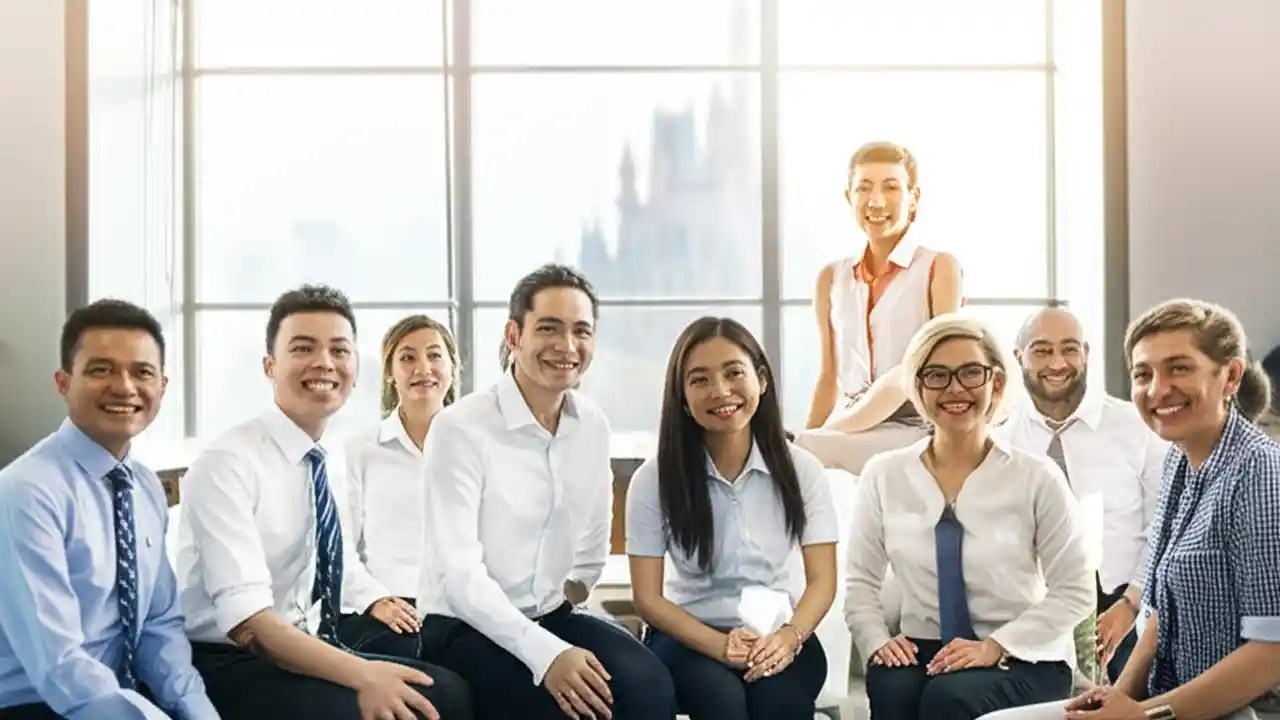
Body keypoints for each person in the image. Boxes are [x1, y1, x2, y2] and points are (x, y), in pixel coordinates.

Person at [175, 285, 472, 720]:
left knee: (450, 691)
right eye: (303, 348)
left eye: (339, 349)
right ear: (269, 366)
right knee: (427, 706)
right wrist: (364, 675)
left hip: (304, 639)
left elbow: (338, 556)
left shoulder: (319, 459)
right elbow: (250, 625)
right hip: (228, 661)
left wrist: (377, 602)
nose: (324, 363)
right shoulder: (228, 463)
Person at [980, 299, 1280, 720]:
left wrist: (1143, 715)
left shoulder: (1260, 475)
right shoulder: (1180, 459)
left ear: (1229, 376)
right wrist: (1114, 697)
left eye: (1179, 368)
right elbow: (1160, 610)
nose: (1158, 389)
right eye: (1144, 374)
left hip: (1220, 710)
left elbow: (1271, 652)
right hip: (1156, 699)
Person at [417, 264, 677, 720]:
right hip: (465, 627)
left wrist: (569, 599)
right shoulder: (460, 428)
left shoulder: (591, 424)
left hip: (551, 615)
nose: (567, 346)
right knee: (566, 708)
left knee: (648, 684)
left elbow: (595, 536)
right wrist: (546, 655)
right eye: (549, 329)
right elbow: (459, 577)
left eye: (582, 331)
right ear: (514, 336)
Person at [845, 314, 1092, 720]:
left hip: (1022, 652)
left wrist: (996, 646)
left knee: (950, 698)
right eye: (937, 375)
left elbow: (1075, 590)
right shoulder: (883, 474)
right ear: (918, 387)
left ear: (996, 383)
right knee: (892, 685)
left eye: (971, 373)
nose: (955, 388)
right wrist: (876, 641)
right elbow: (860, 582)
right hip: (925, 644)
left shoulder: (1035, 477)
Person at [0, 299, 218, 719]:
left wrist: (199, 713)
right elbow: (58, 663)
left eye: (142, 372)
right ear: (63, 382)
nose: (124, 386)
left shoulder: (146, 487)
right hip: (35, 703)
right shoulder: (25, 492)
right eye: (101, 370)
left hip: (118, 697)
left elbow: (159, 626)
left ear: (163, 386)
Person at [626, 317, 838, 719]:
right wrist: (720, 646)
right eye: (700, 380)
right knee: (721, 702)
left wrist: (789, 638)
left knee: (778, 704)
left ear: (762, 379)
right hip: (686, 636)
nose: (720, 391)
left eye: (733, 372)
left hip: (779, 634)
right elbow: (648, 598)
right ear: (682, 398)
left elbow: (823, 580)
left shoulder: (803, 470)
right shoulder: (653, 479)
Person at [1000, 306, 1169, 685]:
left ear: (1086, 353)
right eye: (1042, 350)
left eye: (1069, 349)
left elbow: (1166, 526)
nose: (1057, 363)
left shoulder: (1138, 427)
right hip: (1035, 609)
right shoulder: (1001, 441)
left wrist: (1131, 605)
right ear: (1019, 357)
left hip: (1125, 602)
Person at [797, 140, 964, 475]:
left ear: (913, 197)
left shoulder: (937, 267)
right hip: (846, 426)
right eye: (863, 188)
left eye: (891, 187)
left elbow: (944, 362)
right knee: (799, 458)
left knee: (903, 374)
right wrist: (804, 446)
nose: (876, 201)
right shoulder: (831, 278)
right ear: (849, 197)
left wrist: (811, 441)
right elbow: (828, 377)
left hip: (913, 428)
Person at [339, 314, 460, 657]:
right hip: (387, 609)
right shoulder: (359, 449)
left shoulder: (480, 447)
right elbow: (340, 547)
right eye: (407, 358)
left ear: (452, 367)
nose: (423, 368)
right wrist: (373, 599)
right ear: (390, 374)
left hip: (462, 611)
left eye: (435, 355)